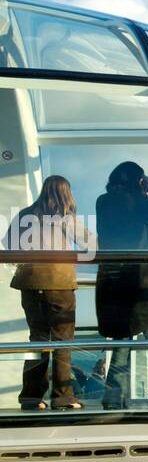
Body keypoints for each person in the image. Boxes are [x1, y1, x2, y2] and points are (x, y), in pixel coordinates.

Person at [4, 174, 95, 410]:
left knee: (38, 340)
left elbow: (9, 244)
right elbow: (91, 246)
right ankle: (63, 397)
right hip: (59, 285)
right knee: (63, 341)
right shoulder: (65, 217)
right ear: (66, 193)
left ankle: (31, 398)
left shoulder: (25, 214)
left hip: (30, 283)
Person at [95, 161, 148, 410]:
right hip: (143, 281)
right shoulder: (141, 202)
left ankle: (113, 400)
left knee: (121, 340)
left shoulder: (103, 201)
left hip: (114, 279)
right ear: (139, 182)